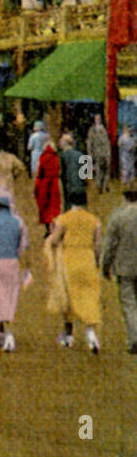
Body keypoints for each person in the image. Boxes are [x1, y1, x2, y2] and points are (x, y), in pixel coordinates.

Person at [46, 197, 103, 353]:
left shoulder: (63, 219)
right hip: (87, 259)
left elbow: (55, 240)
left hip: (69, 261)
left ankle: (68, 334)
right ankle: (91, 333)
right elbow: (98, 244)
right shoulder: (94, 220)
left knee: (68, 298)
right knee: (89, 297)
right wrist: (96, 261)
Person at [0, 194, 29, 352]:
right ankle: (4, 329)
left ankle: (5, 333)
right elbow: (23, 244)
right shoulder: (18, 221)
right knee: (10, 296)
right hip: (12, 262)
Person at [101, 184, 137, 354]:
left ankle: (135, 338)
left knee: (129, 304)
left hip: (125, 267)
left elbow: (110, 245)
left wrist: (105, 266)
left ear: (125, 197)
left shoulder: (118, 217)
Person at [34, 139, 63, 235]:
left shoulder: (42, 157)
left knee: (45, 207)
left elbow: (39, 172)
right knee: (54, 206)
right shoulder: (56, 157)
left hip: (44, 183)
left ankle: (47, 228)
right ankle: (55, 227)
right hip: (54, 183)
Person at [86, 115, 111, 194]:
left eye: (99, 119)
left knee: (106, 170)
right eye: (96, 119)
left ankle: (106, 185)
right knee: (98, 171)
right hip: (97, 153)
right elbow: (89, 143)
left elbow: (107, 142)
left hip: (105, 153)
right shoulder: (92, 130)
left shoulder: (103, 129)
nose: (98, 120)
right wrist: (90, 154)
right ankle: (99, 187)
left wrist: (108, 153)